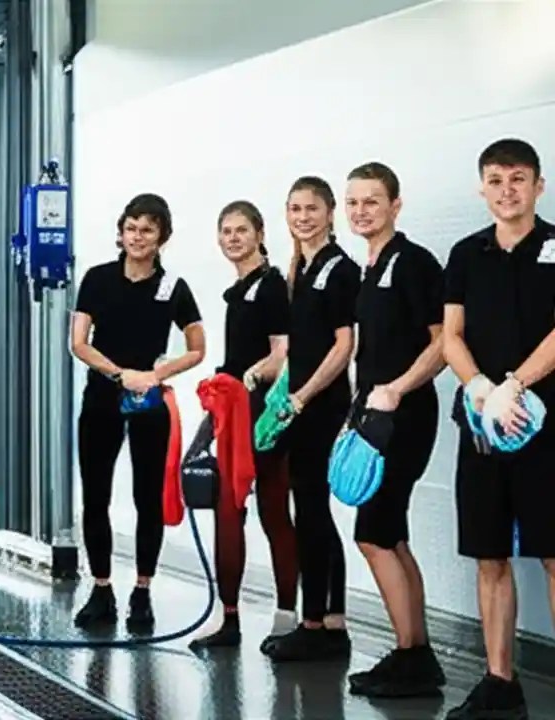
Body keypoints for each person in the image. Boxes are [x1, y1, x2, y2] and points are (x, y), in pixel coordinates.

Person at [442, 138, 553, 719]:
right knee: (489, 553)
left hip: (546, 424)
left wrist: (518, 383)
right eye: (494, 179)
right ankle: (499, 682)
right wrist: (482, 389)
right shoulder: (465, 253)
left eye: (517, 179)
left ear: (538, 185)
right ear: (480, 188)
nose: (506, 190)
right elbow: (450, 335)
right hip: (484, 424)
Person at [70, 193, 207, 631]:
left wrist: (155, 373)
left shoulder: (173, 288)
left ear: (162, 236)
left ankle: (143, 590)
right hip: (102, 399)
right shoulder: (96, 279)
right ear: (120, 232)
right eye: (131, 228)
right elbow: (79, 342)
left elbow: (198, 348)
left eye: (147, 229)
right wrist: (118, 375)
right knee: (96, 495)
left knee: (148, 498)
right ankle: (102, 588)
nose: (138, 237)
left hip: (149, 403)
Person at [339, 162, 447, 697]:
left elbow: (443, 342)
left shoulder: (414, 263)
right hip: (374, 415)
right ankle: (415, 652)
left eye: (372, 201)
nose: (361, 211)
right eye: (353, 202)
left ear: (395, 206)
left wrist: (397, 389)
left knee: (372, 535)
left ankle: (413, 657)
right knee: (392, 536)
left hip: (404, 416)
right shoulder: (371, 265)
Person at [189, 200, 299, 649]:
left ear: (259, 234)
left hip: (264, 413)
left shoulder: (271, 286)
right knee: (227, 512)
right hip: (231, 411)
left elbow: (282, 353)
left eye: (241, 230)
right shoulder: (239, 291)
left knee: (274, 511)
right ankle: (227, 617)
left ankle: (287, 617)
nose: (233, 238)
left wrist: (253, 377)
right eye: (226, 231)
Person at [262, 176, 359, 662]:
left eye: (312, 209)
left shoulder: (339, 269)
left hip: (321, 405)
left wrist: (303, 396)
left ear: (329, 213)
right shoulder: (300, 268)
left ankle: (318, 624)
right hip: (298, 404)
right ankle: (326, 622)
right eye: (295, 208)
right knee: (311, 513)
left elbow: (344, 345)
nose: (303, 217)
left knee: (314, 513)